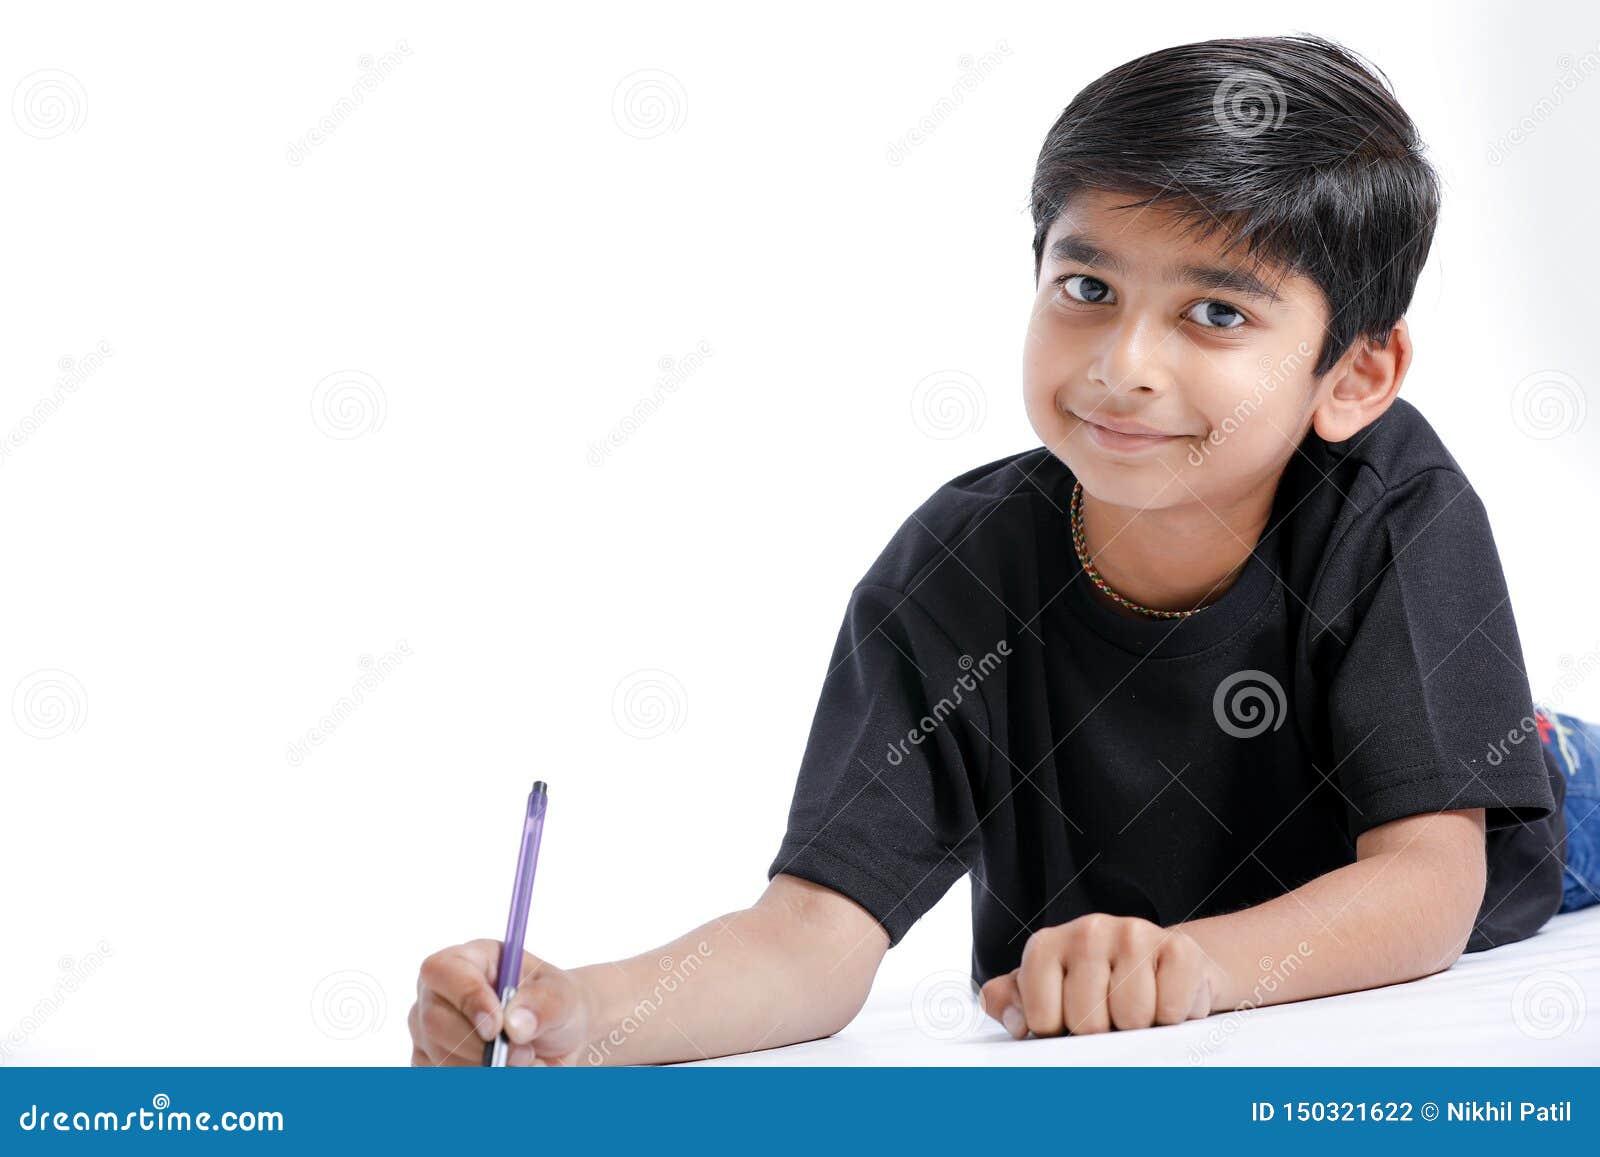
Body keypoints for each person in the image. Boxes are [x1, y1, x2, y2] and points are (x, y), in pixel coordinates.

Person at [408, 33, 1596, 1066]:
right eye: (1085, 284)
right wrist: (575, 1013)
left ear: (1354, 376)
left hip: (1535, 786)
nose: (1121, 361)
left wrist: (1186, 964)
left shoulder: (1397, 509)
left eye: (1216, 312)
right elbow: (812, 935)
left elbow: (1432, 888)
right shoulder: (953, 569)